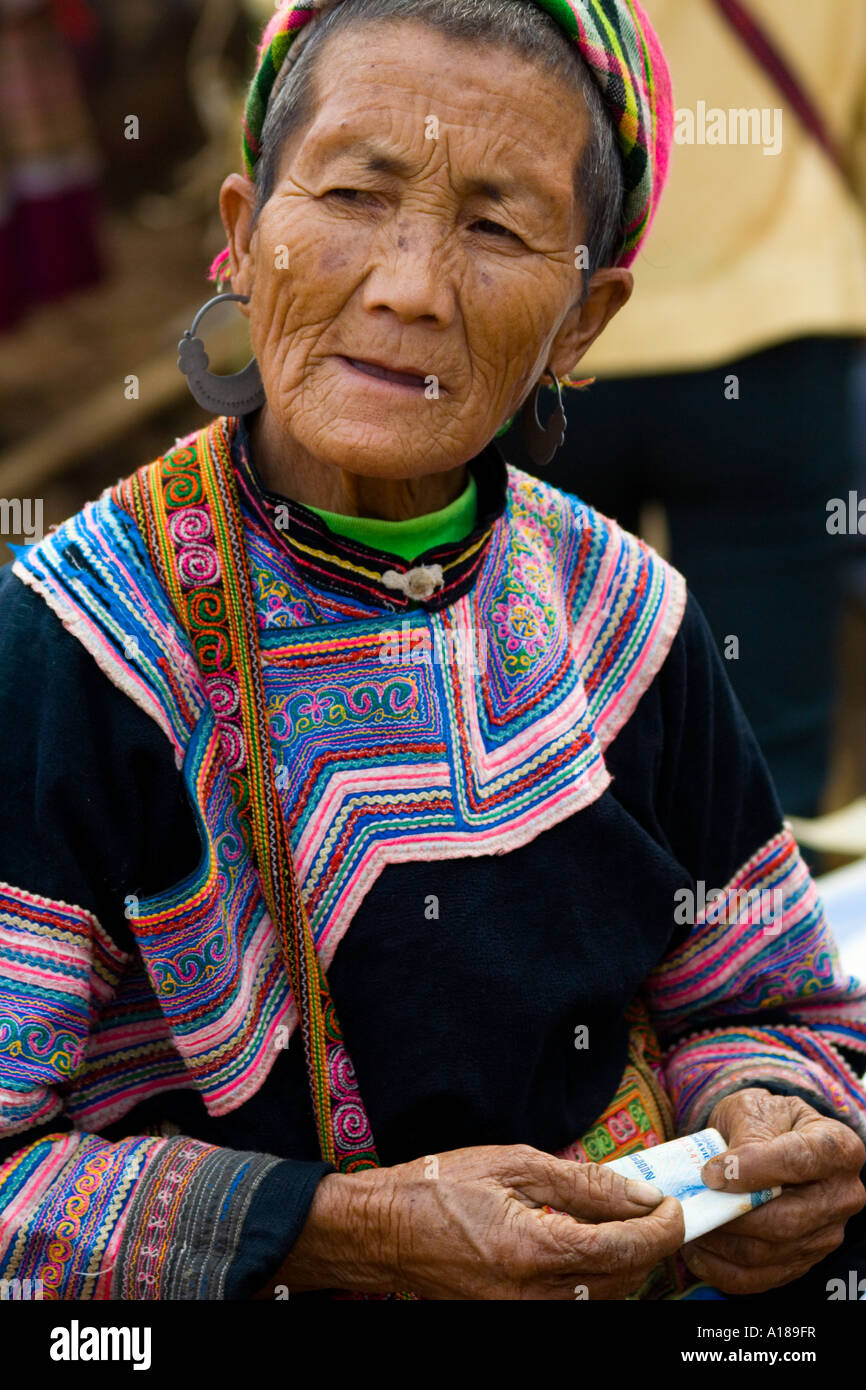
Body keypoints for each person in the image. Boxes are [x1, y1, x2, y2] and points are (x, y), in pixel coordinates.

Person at [0, 0, 864, 1303]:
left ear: (583, 320)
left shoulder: (623, 615)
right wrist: (337, 1227)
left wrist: (761, 1119)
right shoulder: (80, 647)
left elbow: (772, 1000)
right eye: (352, 194)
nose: (406, 283)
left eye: (496, 226)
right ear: (239, 238)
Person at [507, 0, 866, 823]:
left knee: (543, 745)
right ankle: (772, 935)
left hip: (545, 338)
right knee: (767, 762)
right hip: (777, 321)